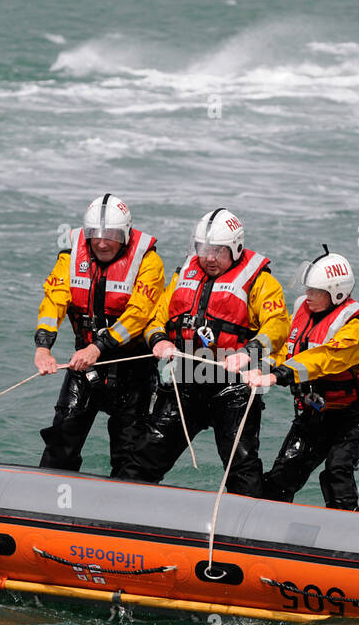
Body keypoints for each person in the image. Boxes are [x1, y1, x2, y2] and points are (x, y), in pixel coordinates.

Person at [116, 208, 289, 496]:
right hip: (185, 381)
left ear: (235, 248)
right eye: (203, 249)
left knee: (241, 465)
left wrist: (250, 351)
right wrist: (159, 340)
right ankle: (118, 510)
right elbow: (157, 317)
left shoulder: (260, 282)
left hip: (232, 387)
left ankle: (249, 528)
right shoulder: (185, 272)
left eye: (218, 251)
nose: (209, 257)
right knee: (145, 455)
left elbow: (279, 324)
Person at [33, 194, 165, 475]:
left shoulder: (149, 262)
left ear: (127, 234)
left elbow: (138, 314)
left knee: (129, 454)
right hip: (86, 365)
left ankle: (125, 508)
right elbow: (54, 300)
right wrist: (43, 346)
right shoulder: (70, 257)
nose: (103, 242)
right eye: (96, 234)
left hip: (132, 369)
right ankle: (50, 500)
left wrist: (98, 347)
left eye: (112, 235)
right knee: (61, 439)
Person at [244, 247, 359, 510]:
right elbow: (288, 351)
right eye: (307, 289)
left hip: (354, 415)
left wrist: (278, 376)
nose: (307, 295)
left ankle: (347, 532)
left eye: (315, 291)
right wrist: (263, 368)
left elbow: (324, 358)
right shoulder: (303, 311)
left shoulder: (355, 328)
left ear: (336, 293)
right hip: (314, 412)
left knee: (336, 471)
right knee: (283, 474)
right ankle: (264, 529)